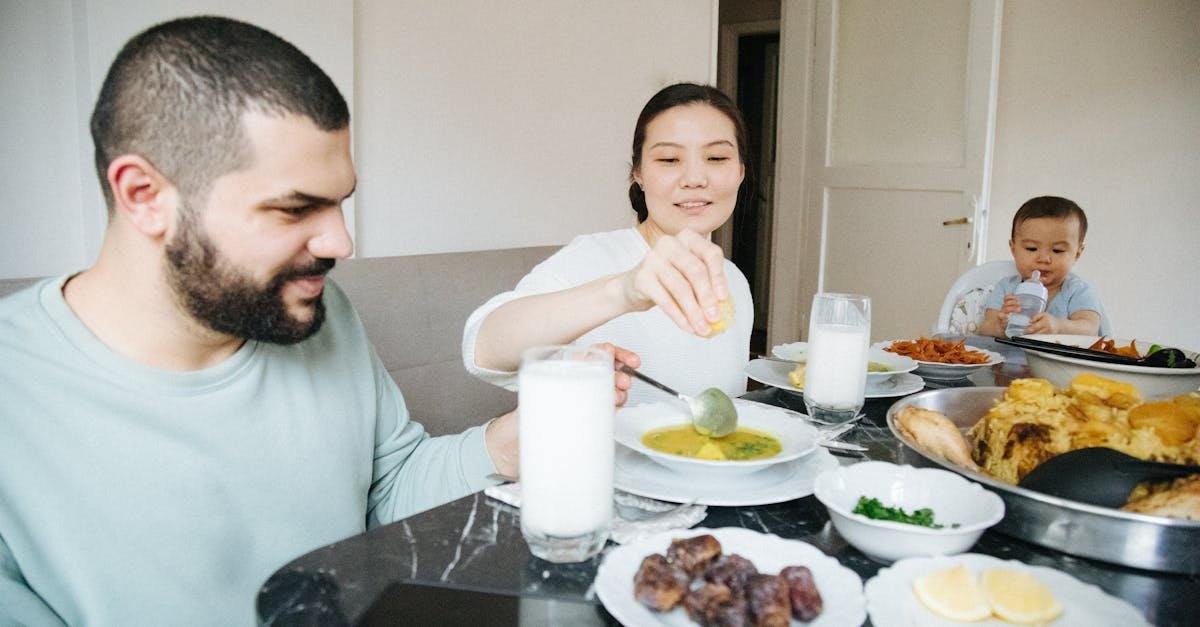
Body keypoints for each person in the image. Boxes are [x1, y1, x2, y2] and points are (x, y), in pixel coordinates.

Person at [0, 16, 632, 626]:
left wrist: (512, 439)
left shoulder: (317, 313)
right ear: (144, 196)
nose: (340, 242)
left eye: (339, 203)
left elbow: (389, 492)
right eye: (295, 208)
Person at [462, 83, 754, 406]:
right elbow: (481, 348)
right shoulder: (592, 259)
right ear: (639, 174)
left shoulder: (735, 282)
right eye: (670, 159)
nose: (695, 178)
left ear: (740, 171)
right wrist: (624, 291)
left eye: (716, 157)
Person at [980, 196, 1110, 338]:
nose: (1043, 259)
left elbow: (1090, 329)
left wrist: (1058, 327)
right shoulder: (1006, 288)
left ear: (1077, 254)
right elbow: (985, 329)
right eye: (1031, 248)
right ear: (1013, 249)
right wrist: (1000, 326)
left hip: (1058, 361)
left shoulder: (1077, 291)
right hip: (1011, 360)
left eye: (1057, 250)